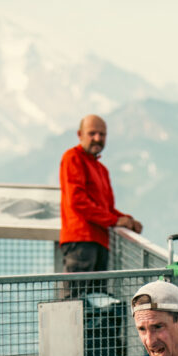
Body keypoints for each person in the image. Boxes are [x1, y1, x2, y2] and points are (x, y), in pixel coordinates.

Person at [59, 114, 142, 290]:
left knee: (96, 301)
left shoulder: (101, 169)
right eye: (92, 133)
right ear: (79, 134)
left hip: (99, 242)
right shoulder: (73, 158)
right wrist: (115, 221)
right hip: (80, 241)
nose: (98, 138)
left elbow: (107, 208)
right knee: (76, 300)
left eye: (102, 134)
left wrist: (127, 219)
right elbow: (77, 201)